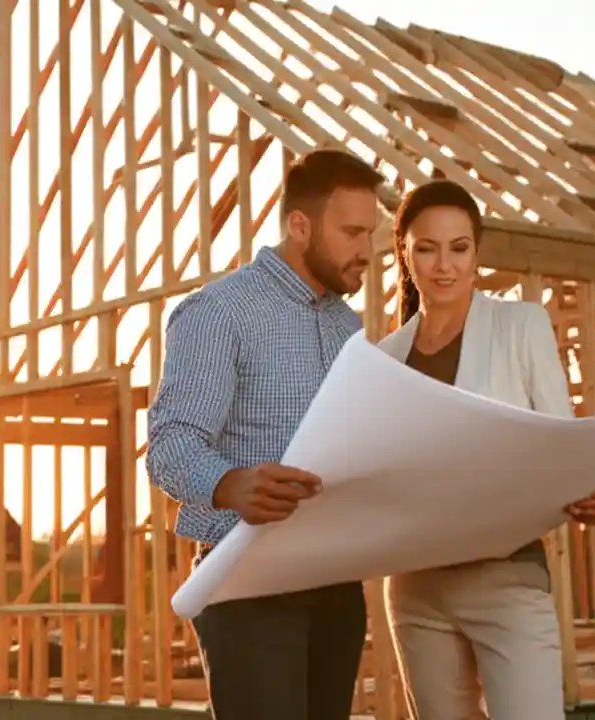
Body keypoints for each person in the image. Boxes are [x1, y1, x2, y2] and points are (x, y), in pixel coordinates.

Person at [145, 147, 384, 719]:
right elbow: (170, 444)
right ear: (299, 226)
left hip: (334, 582)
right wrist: (230, 484)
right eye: (352, 232)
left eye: (371, 234)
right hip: (249, 586)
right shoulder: (219, 311)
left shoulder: (347, 326)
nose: (367, 252)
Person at [376, 179, 595, 720]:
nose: (444, 265)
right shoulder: (385, 358)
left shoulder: (520, 325)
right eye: (427, 249)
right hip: (416, 590)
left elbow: (561, 443)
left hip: (508, 577)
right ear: (405, 255)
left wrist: (586, 493)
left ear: (476, 253)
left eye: (459, 248)